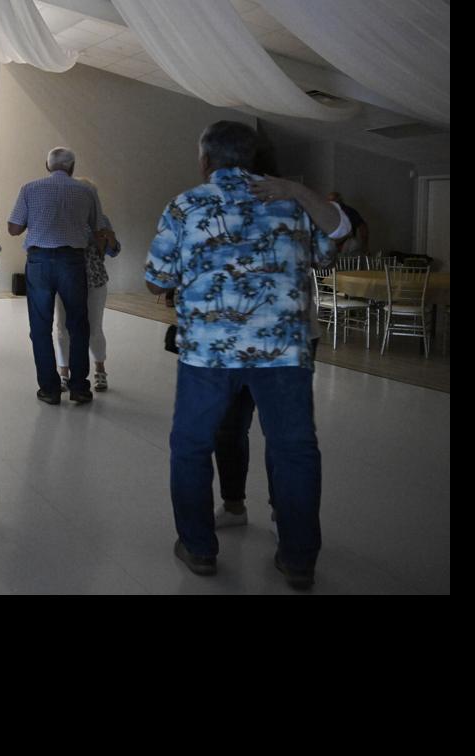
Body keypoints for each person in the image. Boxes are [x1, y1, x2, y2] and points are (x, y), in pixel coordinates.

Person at [145, 121, 351, 590]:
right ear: (253, 158)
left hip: (207, 355)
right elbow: (329, 251)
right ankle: (298, 559)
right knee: (295, 450)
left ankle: (198, 547)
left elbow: (157, 278)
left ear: (205, 160)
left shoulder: (185, 205)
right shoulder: (292, 202)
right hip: (283, 351)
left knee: (192, 446)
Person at [8, 146, 101, 405]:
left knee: (40, 327)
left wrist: (36, 220)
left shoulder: (29, 188)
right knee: (78, 325)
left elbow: (14, 228)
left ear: (47, 165)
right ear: (72, 167)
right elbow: (98, 226)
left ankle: (49, 389)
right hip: (73, 262)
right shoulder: (87, 191)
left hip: (39, 262)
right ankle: (80, 387)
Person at [52, 175, 118, 392]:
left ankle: (100, 370)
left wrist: (109, 238)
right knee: (62, 327)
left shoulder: (103, 220)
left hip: (94, 279)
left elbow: (114, 250)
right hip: (65, 279)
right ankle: (64, 373)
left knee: (94, 326)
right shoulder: (63, 218)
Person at [329, 192, 368, 257]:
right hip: (333, 246)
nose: (330, 203)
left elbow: (363, 227)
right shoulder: (328, 212)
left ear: (339, 201)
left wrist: (365, 246)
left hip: (348, 246)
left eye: (332, 201)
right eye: (329, 201)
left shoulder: (349, 212)